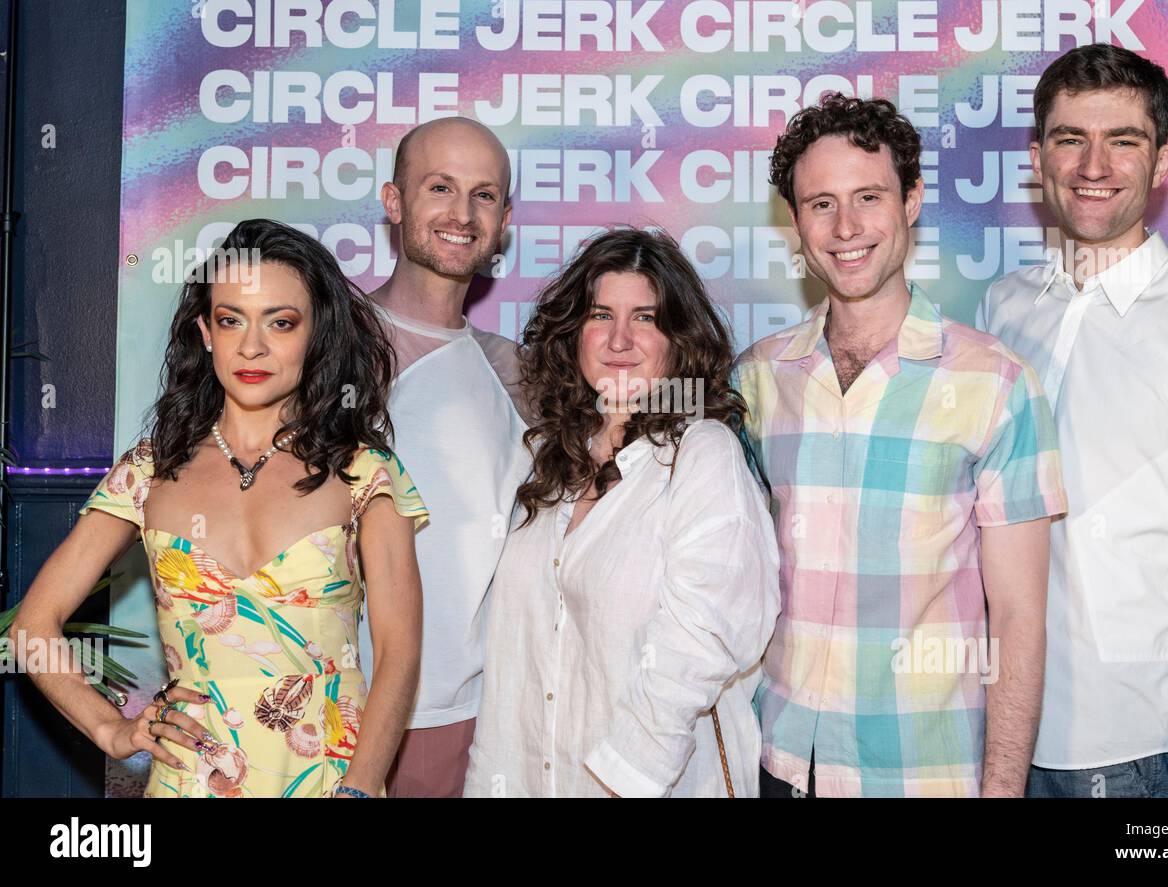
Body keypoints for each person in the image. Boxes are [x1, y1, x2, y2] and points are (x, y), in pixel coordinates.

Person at [10, 219, 427, 798]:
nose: (251, 347)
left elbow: (401, 655)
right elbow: (32, 629)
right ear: (206, 332)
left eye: (280, 323)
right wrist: (112, 730)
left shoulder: (365, 473)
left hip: (330, 784)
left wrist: (358, 787)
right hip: (190, 783)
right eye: (232, 320)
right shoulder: (150, 471)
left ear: (317, 335)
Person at [735, 94, 1068, 797]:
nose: (846, 226)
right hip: (779, 763)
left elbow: (1018, 620)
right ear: (793, 221)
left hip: (923, 774)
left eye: (868, 197)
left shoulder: (997, 384)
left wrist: (1003, 790)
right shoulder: (759, 378)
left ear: (912, 200)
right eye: (820, 204)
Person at [976, 44, 1168, 798]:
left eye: (1124, 140)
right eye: (1070, 137)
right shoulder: (999, 308)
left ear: (1164, 159)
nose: (1093, 164)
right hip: (985, 733)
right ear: (1038, 155)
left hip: (1131, 758)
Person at [463, 227, 780, 797]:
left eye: (646, 318)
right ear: (573, 332)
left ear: (678, 339)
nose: (618, 340)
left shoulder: (701, 453)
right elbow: (511, 661)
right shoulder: (541, 459)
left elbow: (702, 636)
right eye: (600, 314)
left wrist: (624, 778)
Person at [361, 117, 533, 797]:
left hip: (464, 723)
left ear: (505, 218)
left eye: (484, 195)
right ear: (394, 201)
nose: (462, 214)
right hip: (321, 710)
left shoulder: (519, 375)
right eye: (440, 187)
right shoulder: (315, 346)